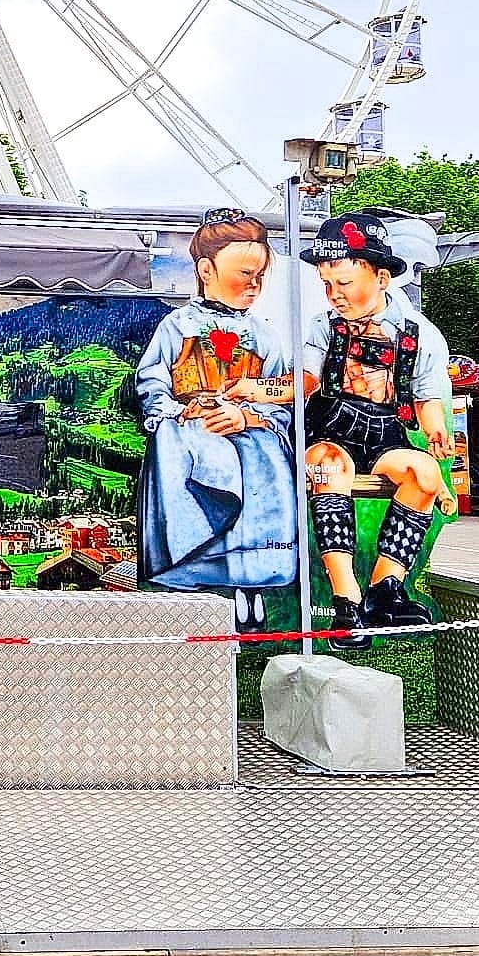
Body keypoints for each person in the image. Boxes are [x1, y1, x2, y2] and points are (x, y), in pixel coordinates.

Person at [236, 211, 457, 649]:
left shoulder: (420, 335)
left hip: (386, 436)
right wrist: (258, 388)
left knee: (423, 473)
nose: (334, 294)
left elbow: (427, 394)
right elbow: (305, 381)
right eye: (327, 284)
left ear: (381, 278)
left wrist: (435, 430)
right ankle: (346, 598)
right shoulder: (324, 328)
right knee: (328, 467)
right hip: (331, 432)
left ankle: (385, 589)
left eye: (344, 283)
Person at [136, 209, 298, 632]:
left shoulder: (264, 335)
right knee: (185, 452)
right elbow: (152, 381)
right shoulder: (176, 326)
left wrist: (248, 415)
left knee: (263, 464)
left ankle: (250, 586)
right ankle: (194, 580)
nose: (254, 284)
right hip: (191, 428)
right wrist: (178, 411)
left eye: (260, 275)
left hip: (248, 430)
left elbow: (280, 393)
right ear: (206, 270)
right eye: (245, 273)